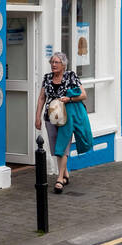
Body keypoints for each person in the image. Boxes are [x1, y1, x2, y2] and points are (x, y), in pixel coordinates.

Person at [35, 51, 85, 191]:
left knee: (63, 146)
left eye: (57, 62)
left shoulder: (71, 76)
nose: (53, 65)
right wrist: (37, 117)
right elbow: (41, 98)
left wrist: (69, 99)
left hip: (66, 118)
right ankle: (65, 174)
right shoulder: (47, 78)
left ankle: (59, 179)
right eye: (52, 62)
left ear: (63, 64)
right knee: (56, 147)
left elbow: (83, 95)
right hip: (50, 117)